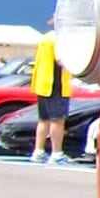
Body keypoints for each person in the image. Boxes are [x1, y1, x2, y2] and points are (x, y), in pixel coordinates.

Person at [29, 22, 73, 166]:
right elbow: (61, 60)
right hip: (56, 84)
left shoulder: (46, 38)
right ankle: (57, 153)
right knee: (57, 121)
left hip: (43, 84)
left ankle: (38, 151)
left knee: (44, 120)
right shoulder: (59, 39)